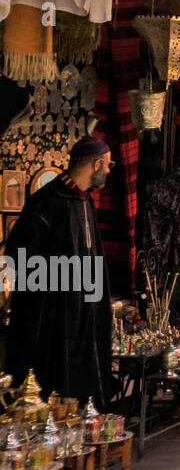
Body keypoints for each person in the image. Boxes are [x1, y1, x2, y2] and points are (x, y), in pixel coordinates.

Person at [4, 135, 115, 410]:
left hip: (81, 313)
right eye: (109, 164)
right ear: (97, 163)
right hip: (51, 317)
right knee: (50, 382)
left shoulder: (85, 202)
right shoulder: (48, 201)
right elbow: (18, 255)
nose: (110, 170)